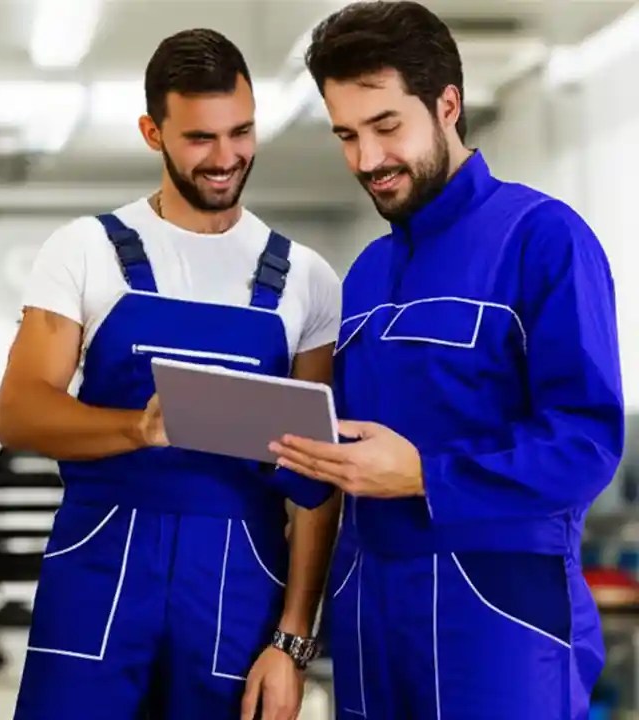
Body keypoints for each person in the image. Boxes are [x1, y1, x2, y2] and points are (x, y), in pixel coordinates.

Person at [270, 3, 625, 718]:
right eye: (346, 135)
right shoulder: (366, 274)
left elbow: (586, 443)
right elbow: (346, 443)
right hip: (370, 616)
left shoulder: (543, 239)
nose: (366, 160)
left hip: (496, 619)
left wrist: (427, 476)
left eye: (386, 127)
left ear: (448, 105)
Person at [0, 27, 343, 720]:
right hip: (98, 570)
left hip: (237, 589)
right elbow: (19, 412)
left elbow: (319, 477)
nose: (226, 157)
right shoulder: (86, 251)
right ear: (152, 131)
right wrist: (138, 427)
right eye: (199, 139)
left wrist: (294, 639)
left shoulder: (305, 278)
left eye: (241, 132)